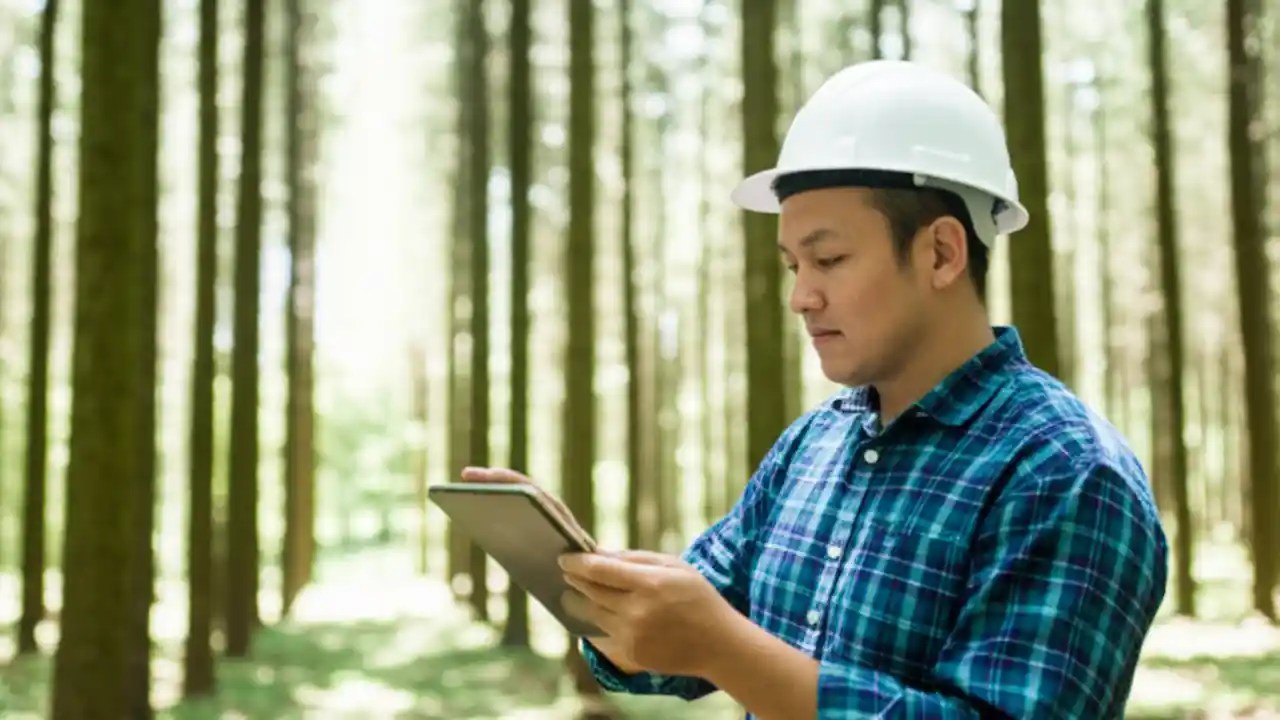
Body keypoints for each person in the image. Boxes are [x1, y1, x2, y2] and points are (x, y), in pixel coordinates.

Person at [463, 60, 1168, 719]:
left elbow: (723, 643)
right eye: (793, 264)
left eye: (829, 258)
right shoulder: (812, 446)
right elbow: (685, 641)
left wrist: (722, 646)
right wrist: (589, 581)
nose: (801, 297)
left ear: (942, 252)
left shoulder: (1068, 476)